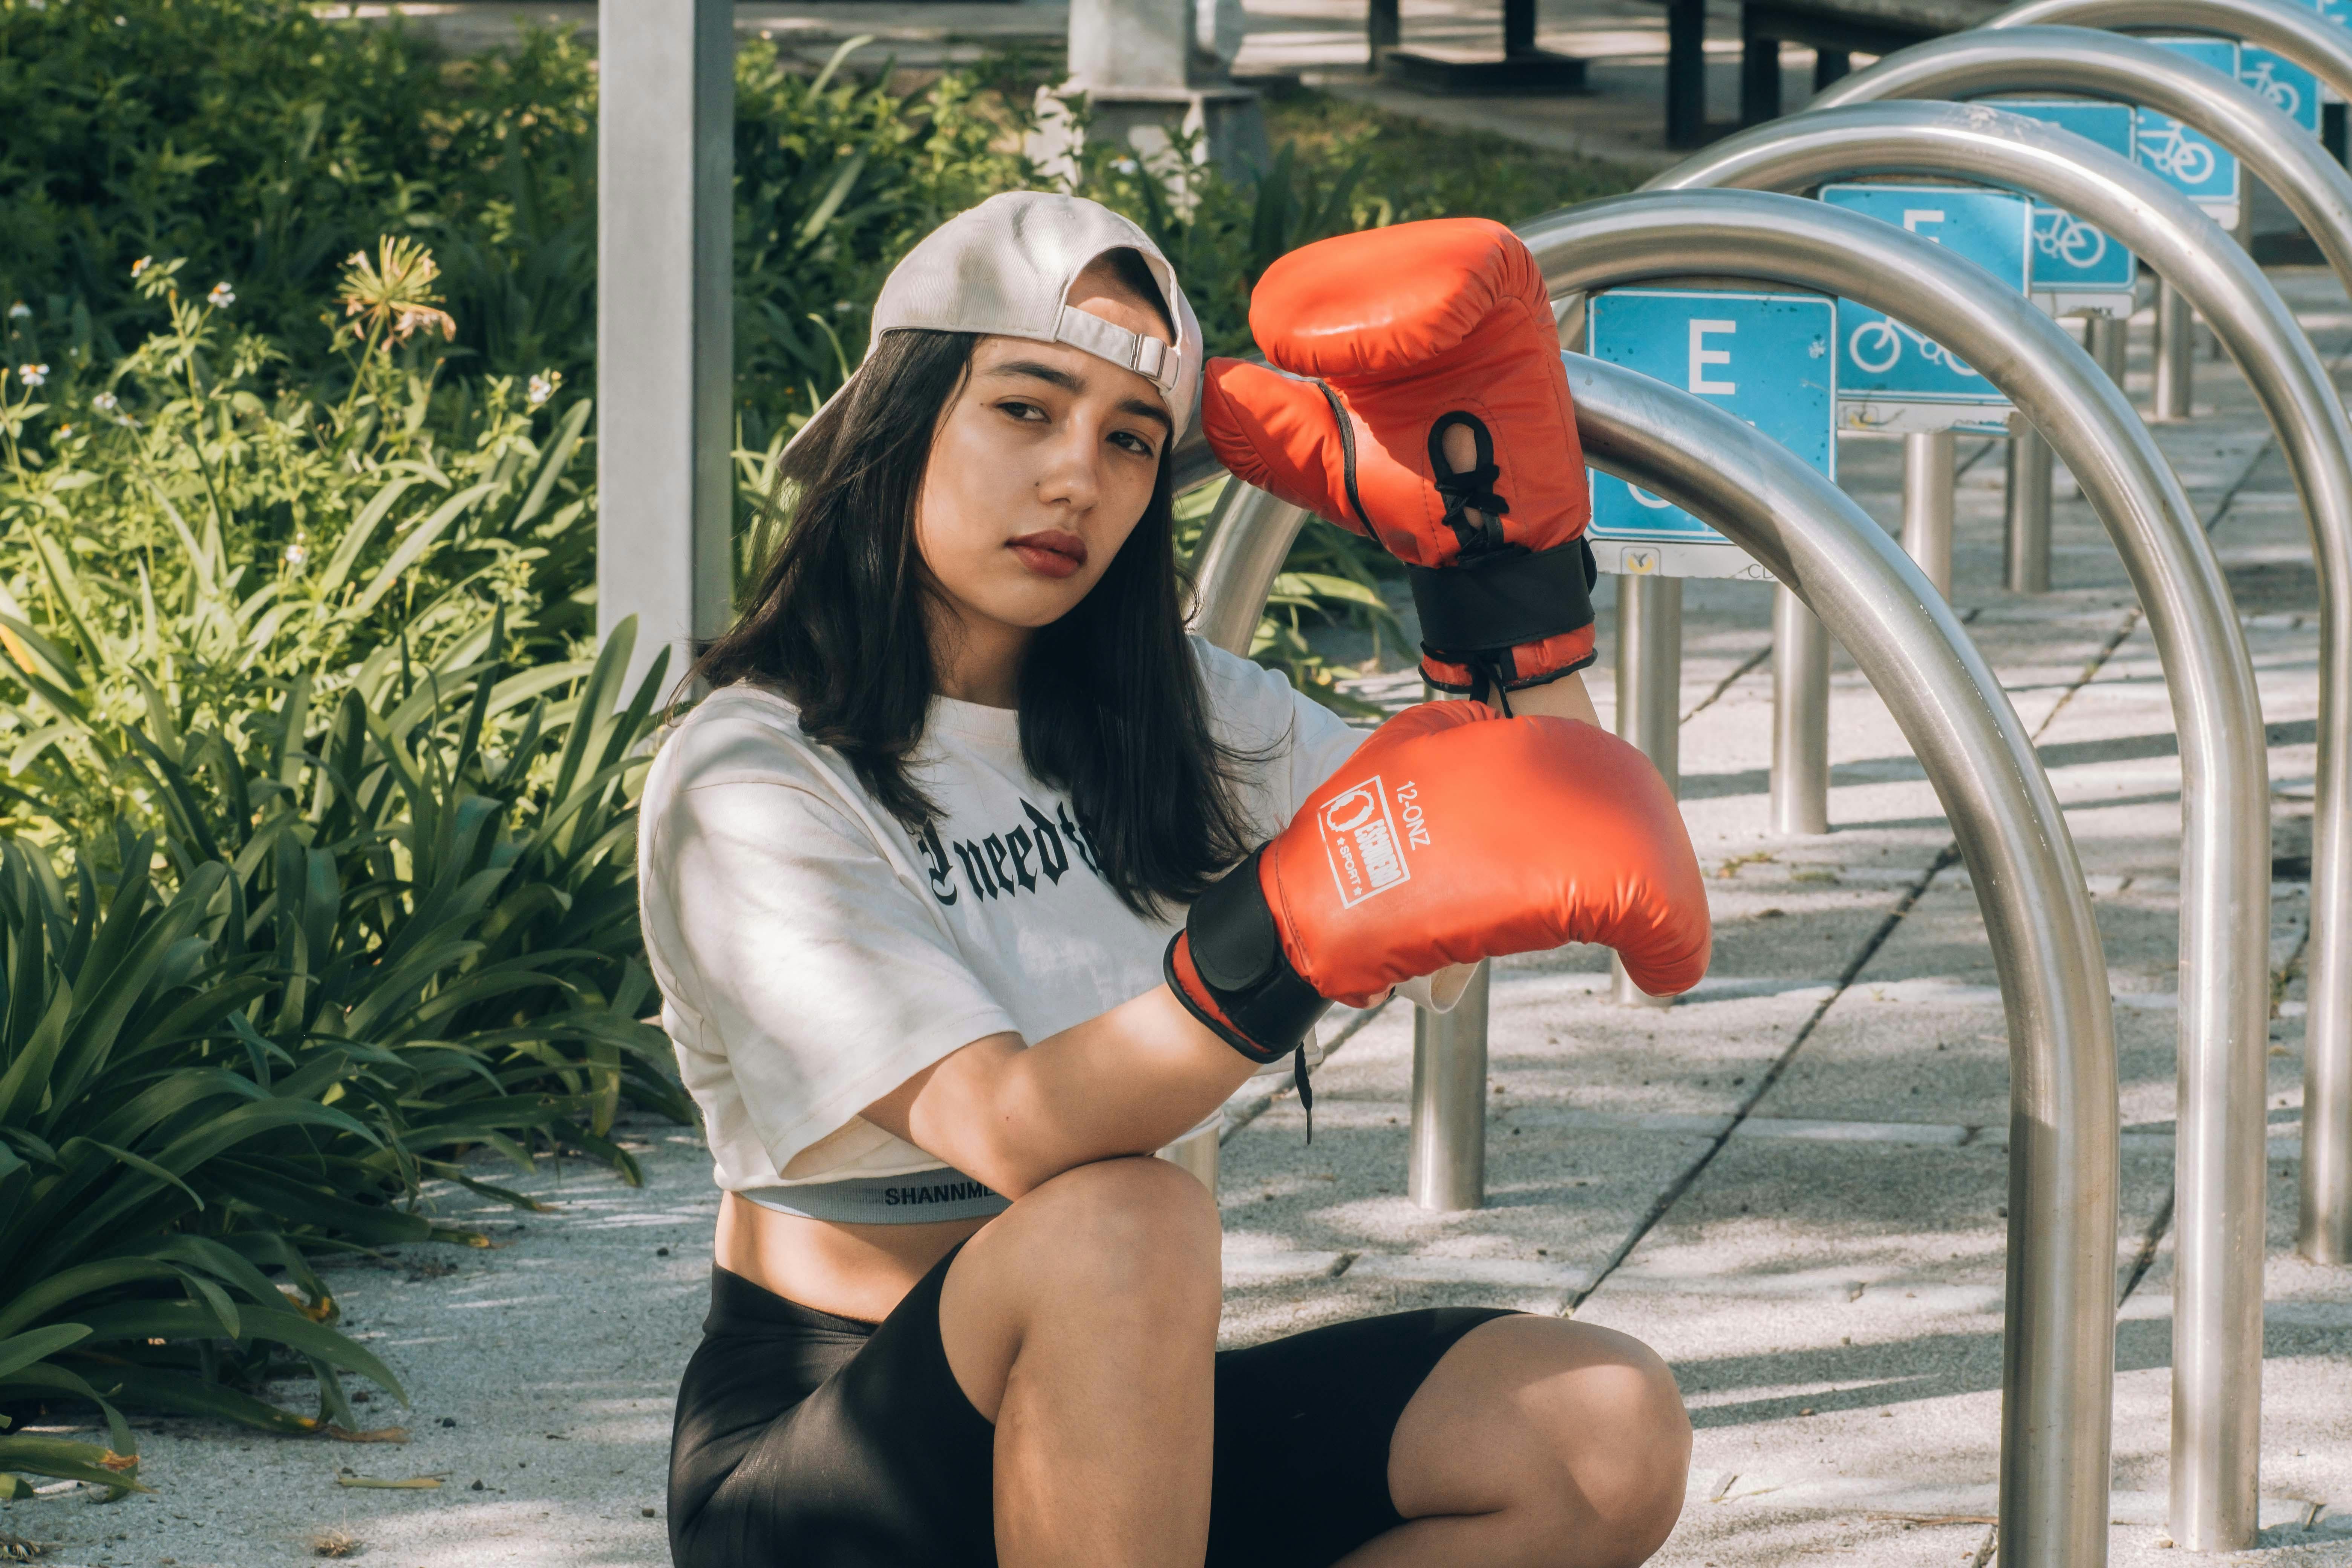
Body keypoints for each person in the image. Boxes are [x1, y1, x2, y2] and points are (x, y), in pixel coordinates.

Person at [643, 190, 1707, 1568]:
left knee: (1596, 1428)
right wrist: (1280, 940)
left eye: (1132, 439)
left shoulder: (1179, 714)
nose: (1078, 477)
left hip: (1110, 1435)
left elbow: (1539, 827)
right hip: (832, 1462)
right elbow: (1013, 1131)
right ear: (901, 421)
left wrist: (1498, 586)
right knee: (1123, 1217)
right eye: (1026, 409)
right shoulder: (752, 774)